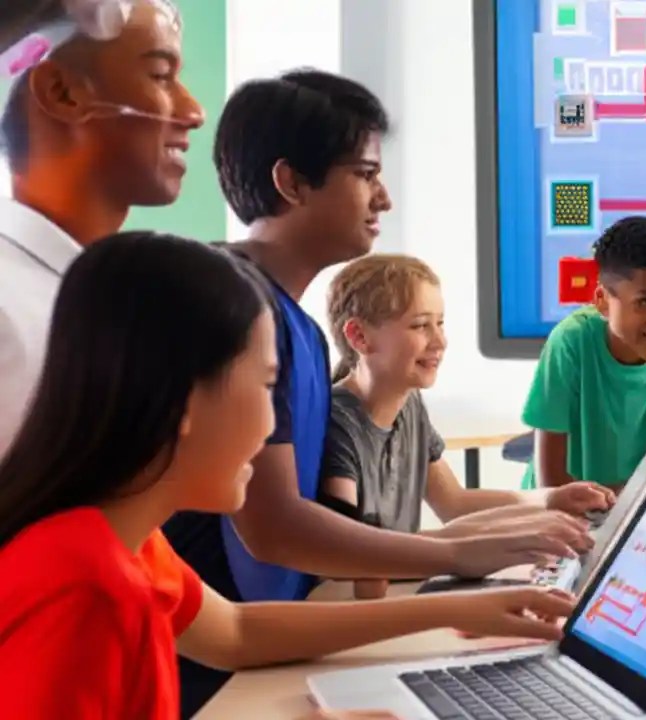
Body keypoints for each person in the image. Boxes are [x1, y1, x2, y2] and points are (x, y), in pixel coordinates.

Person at [0, 232, 575, 720]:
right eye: (267, 385)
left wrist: (456, 608)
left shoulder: (124, 542)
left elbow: (236, 635)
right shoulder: (86, 591)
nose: (276, 422)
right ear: (184, 403)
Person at [160, 69, 585, 715]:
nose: (382, 197)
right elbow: (274, 526)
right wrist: (457, 555)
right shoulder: (237, 308)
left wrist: (484, 548)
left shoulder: (290, 320)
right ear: (292, 182)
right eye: (364, 174)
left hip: (262, 636)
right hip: (206, 673)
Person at [321, 253, 617, 598]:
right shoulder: (338, 422)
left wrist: (549, 499)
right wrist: (491, 543)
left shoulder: (409, 404)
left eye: (440, 324)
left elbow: (454, 502)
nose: (439, 341)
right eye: (419, 325)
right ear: (359, 336)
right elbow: (350, 559)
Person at [0, 0, 204, 457]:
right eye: (160, 76)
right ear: (63, 93)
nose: (194, 112)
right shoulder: (7, 310)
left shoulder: (118, 302)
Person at [523, 215, 646, 489]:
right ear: (602, 301)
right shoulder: (570, 341)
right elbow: (551, 485)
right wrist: (630, 500)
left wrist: (632, 504)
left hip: (632, 507)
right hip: (555, 510)